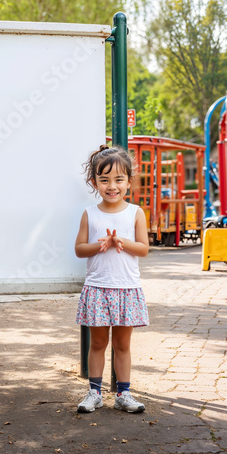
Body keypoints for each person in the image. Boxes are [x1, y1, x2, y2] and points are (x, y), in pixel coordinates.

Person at [74, 145, 150, 414]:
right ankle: (94, 393)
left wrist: (121, 242)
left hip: (127, 289)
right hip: (97, 288)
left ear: (129, 181)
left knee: (122, 344)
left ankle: (124, 394)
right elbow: (79, 249)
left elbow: (143, 248)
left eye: (118, 179)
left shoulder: (135, 212)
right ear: (94, 182)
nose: (112, 186)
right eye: (104, 180)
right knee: (97, 343)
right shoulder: (90, 213)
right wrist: (101, 244)